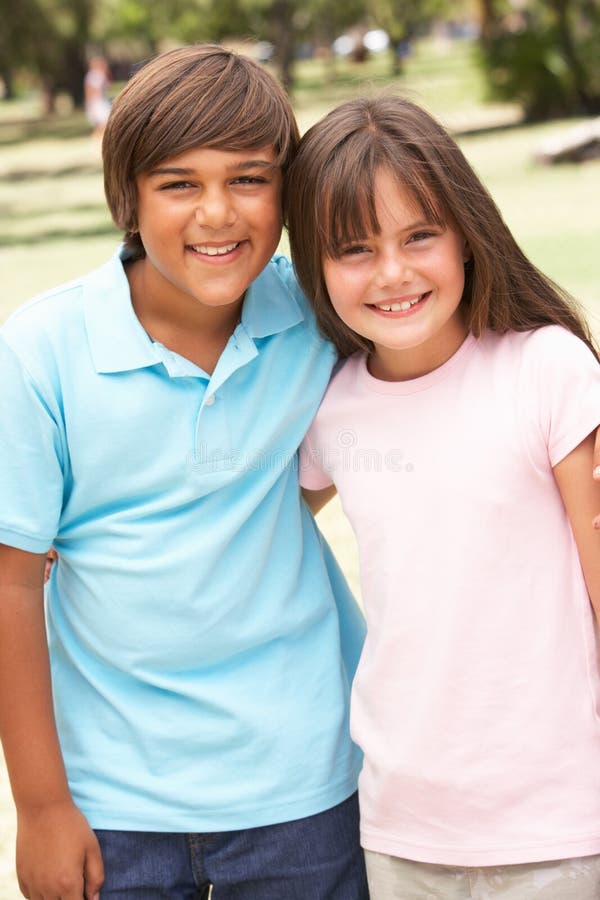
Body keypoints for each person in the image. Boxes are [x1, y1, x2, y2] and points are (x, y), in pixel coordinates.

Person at [0, 46, 368, 900]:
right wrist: (42, 807)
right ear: (127, 198)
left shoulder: (320, 312)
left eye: (250, 179)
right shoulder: (40, 352)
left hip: (305, 782)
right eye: (179, 184)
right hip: (110, 798)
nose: (217, 213)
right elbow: (11, 585)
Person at [284, 95, 600, 899]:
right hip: (401, 827)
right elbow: (248, 528)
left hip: (563, 823)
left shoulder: (546, 371)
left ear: (466, 231)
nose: (392, 273)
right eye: (355, 249)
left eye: (419, 235)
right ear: (315, 266)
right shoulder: (331, 407)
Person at [84, 56, 111, 139]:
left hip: (102, 101)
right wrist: (90, 104)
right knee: (103, 123)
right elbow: (89, 91)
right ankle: (96, 138)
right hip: (96, 102)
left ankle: (99, 138)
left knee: (105, 123)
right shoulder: (92, 76)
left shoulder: (100, 75)